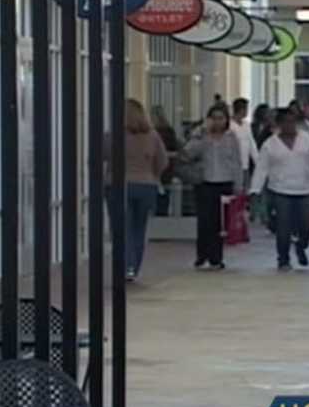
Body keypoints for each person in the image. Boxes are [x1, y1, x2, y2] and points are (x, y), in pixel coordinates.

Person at [250, 108, 309, 271]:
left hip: (305, 190)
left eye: (293, 122)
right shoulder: (270, 144)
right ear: (279, 124)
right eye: (286, 122)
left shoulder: (306, 139)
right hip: (280, 190)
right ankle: (283, 258)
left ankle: (301, 246)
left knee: (306, 226)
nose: (291, 125)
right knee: (283, 227)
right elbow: (261, 169)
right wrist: (255, 190)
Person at [105, 99, 170, 282]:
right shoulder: (153, 136)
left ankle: (125, 265)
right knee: (139, 228)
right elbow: (163, 161)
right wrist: (152, 175)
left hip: (117, 186)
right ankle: (133, 267)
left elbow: (99, 155)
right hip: (146, 185)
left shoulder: (113, 136)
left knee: (121, 228)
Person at [180, 103, 243, 270]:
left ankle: (216, 257)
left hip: (225, 183)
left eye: (221, 118)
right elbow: (188, 153)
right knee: (204, 221)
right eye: (213, 118)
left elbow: (236, 162)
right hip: (205, 182)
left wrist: (239, 185)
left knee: (219, 223)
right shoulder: (201, 136)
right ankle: (202, 255)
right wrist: (201, 133)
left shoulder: (232, 138)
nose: (217, 122)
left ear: (226, 120)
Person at [230, 98, 260, 192]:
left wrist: (258, 162)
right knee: (236, 190)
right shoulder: (230, 126)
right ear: (241, 109)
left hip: (245, 164)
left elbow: (251, 144)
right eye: (246, 109)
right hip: (234, 165)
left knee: (247, 190)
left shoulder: (246, 125)